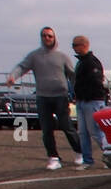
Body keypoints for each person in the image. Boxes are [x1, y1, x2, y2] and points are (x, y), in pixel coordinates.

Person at [6, 26, 81, 170]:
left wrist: (78, 93)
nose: (47, 38)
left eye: (49, 36)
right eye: (44, 36)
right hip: (43, 97)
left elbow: (72, 76)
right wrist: (12, 76)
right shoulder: (34, 56)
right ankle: (53, 157)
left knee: (67, 126)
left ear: (54, 38)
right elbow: (22, 67)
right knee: (46, 129)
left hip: (60, 96)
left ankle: (79, 152)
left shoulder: (62, 56)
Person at [70, 35, 106, 169]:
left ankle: (110, 155)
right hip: (81, 101)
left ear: (83, 45)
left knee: (95, 131)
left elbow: (96, 82)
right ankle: (87, 160)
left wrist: (87, 94)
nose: (73, 48)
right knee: (83, 133)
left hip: (92, 101)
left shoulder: (91, 62)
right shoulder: (81, 62)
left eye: (75, 45)